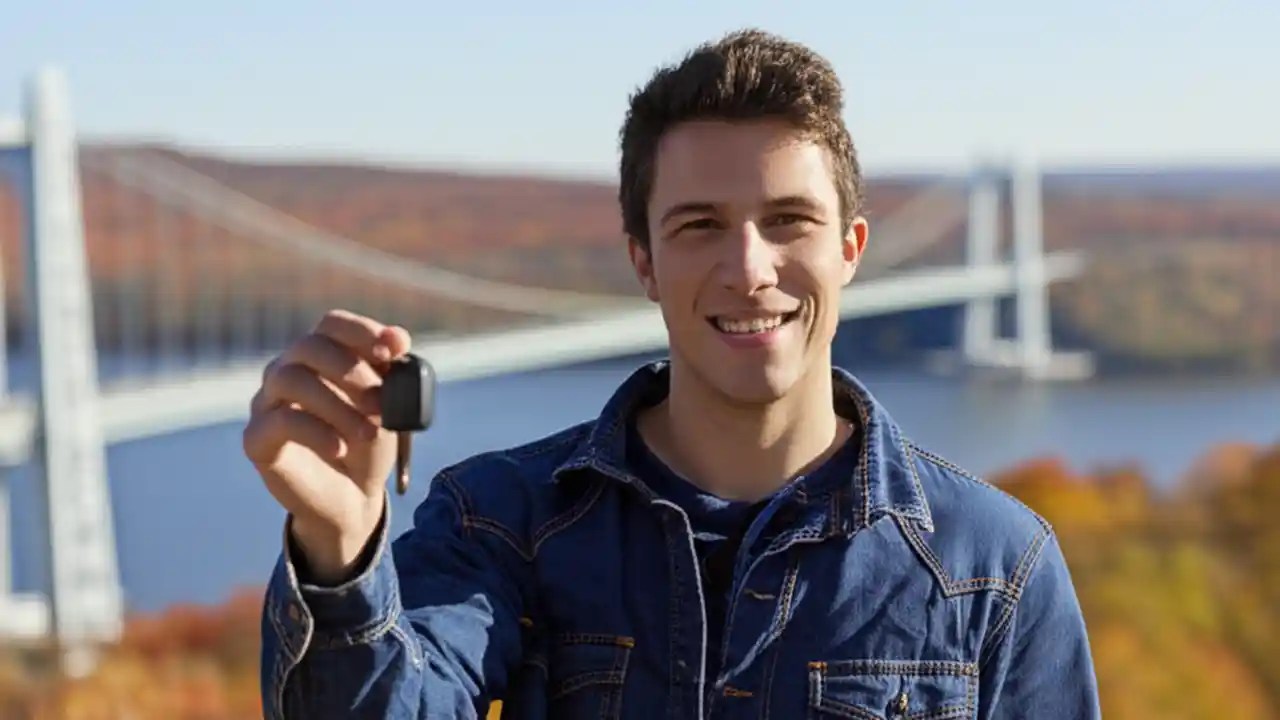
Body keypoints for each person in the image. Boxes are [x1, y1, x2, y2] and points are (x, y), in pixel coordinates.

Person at [247, 28, 1101, 720]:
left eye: (788, 221)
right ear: (644, 262)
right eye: (700, 226)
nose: (749, 268)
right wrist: (340, 552)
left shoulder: (995, 566)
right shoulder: (499, 524)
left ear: (850, 251)